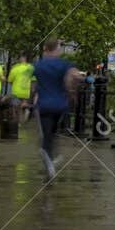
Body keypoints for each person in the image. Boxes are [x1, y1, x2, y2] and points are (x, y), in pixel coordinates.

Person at [32, 38, 83, 180]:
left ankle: (48, 159)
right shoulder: (64, 64)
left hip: (44, 105)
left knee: (46, 134)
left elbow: (32, 84)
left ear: (45, 49)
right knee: (53, 133)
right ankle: (51, 158)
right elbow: (76, 76)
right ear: (57, 49)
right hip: (60, 105)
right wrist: (73, 87)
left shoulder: (38, 65)